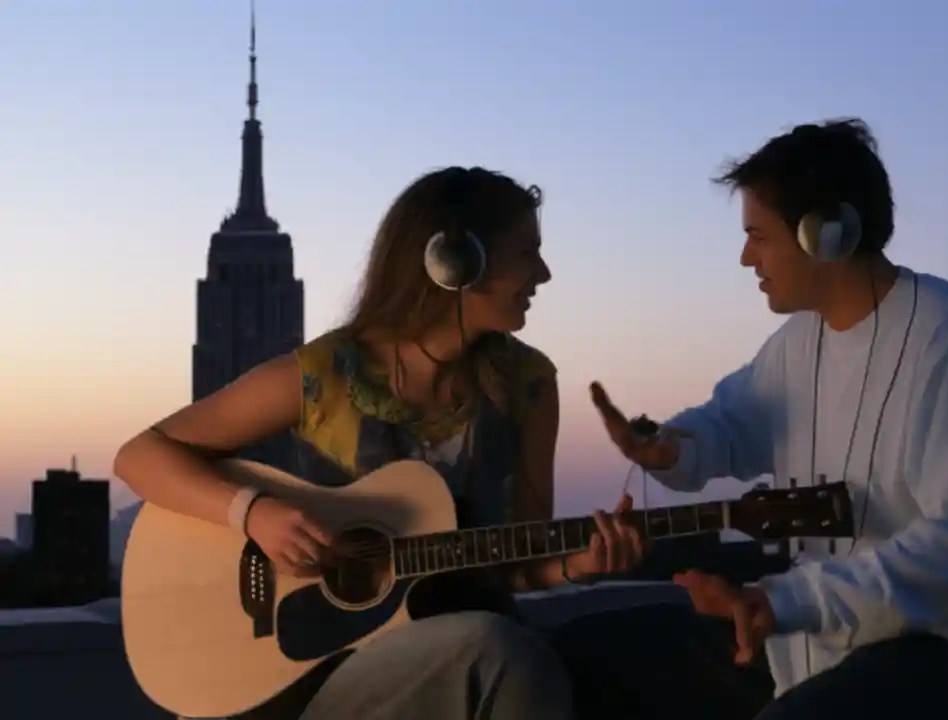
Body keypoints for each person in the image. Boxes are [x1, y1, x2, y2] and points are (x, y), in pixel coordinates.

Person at [115, 166, 645, 720]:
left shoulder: (529, 385)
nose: (544, 273)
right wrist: (255, 513)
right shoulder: (326, 375)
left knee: (646, 641)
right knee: (499, 649)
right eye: (527, 252)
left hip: (458, 656)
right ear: (455, 263)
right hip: (318, 675)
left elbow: (514, 564)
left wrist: (577, 565)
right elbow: (140, 456)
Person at [590, 119, 948, 718]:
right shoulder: (795, 346)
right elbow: (730, 425)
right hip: (821, 643)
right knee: (596, 660)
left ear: (826, 234)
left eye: (758, 236)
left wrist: (780, 601)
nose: (745, 258)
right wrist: (668, 448)